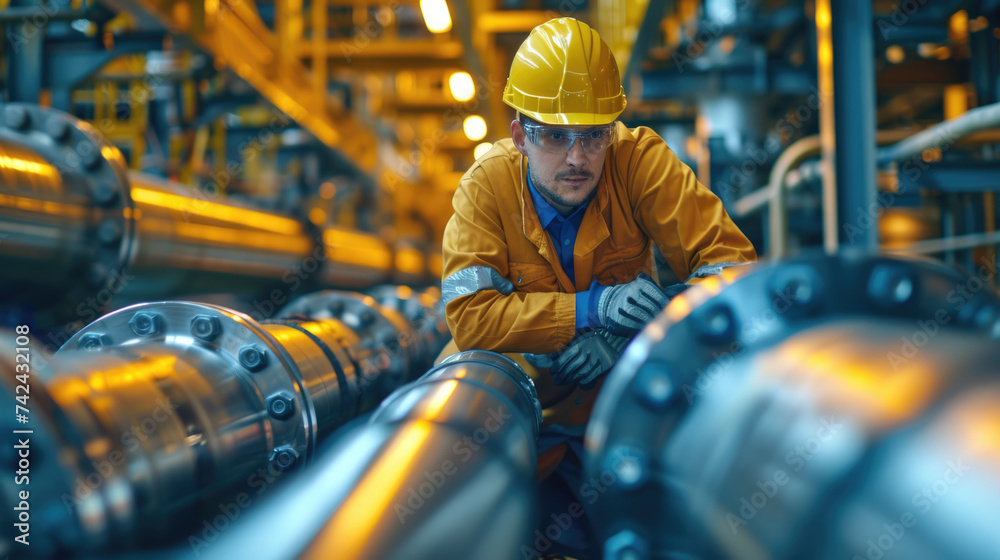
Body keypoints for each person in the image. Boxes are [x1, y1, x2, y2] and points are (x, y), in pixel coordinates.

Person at [437, 16, 756, 556]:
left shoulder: (639, 163)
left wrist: (632, 338)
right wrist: (594, 308)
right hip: (515, 412)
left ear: (613, 129)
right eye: (555, 136)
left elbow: (734, 271)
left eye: (593, 135)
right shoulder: (486, 187)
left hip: (617, 413)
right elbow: (470, 317)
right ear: (519, 134)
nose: (577, 157)